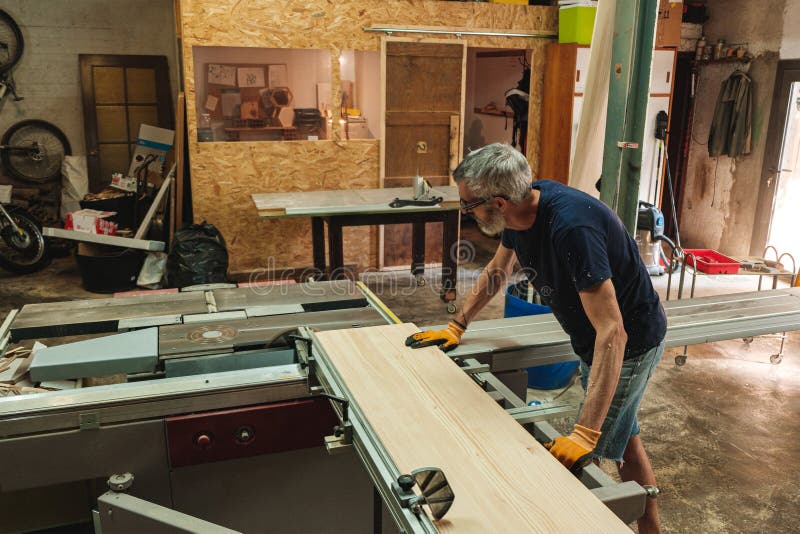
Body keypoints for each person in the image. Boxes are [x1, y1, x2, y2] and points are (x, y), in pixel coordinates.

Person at [406, 143, 667, 533]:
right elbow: (498, 270)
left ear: (498, 202)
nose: (467, 214)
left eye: (468, 206)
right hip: (594, 341)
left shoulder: (571, 229)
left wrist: (584, 434)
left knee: (581, 464)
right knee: (626, 439)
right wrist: (457, 325)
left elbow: (613, 330)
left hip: (627, 345)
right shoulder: (521, 212)